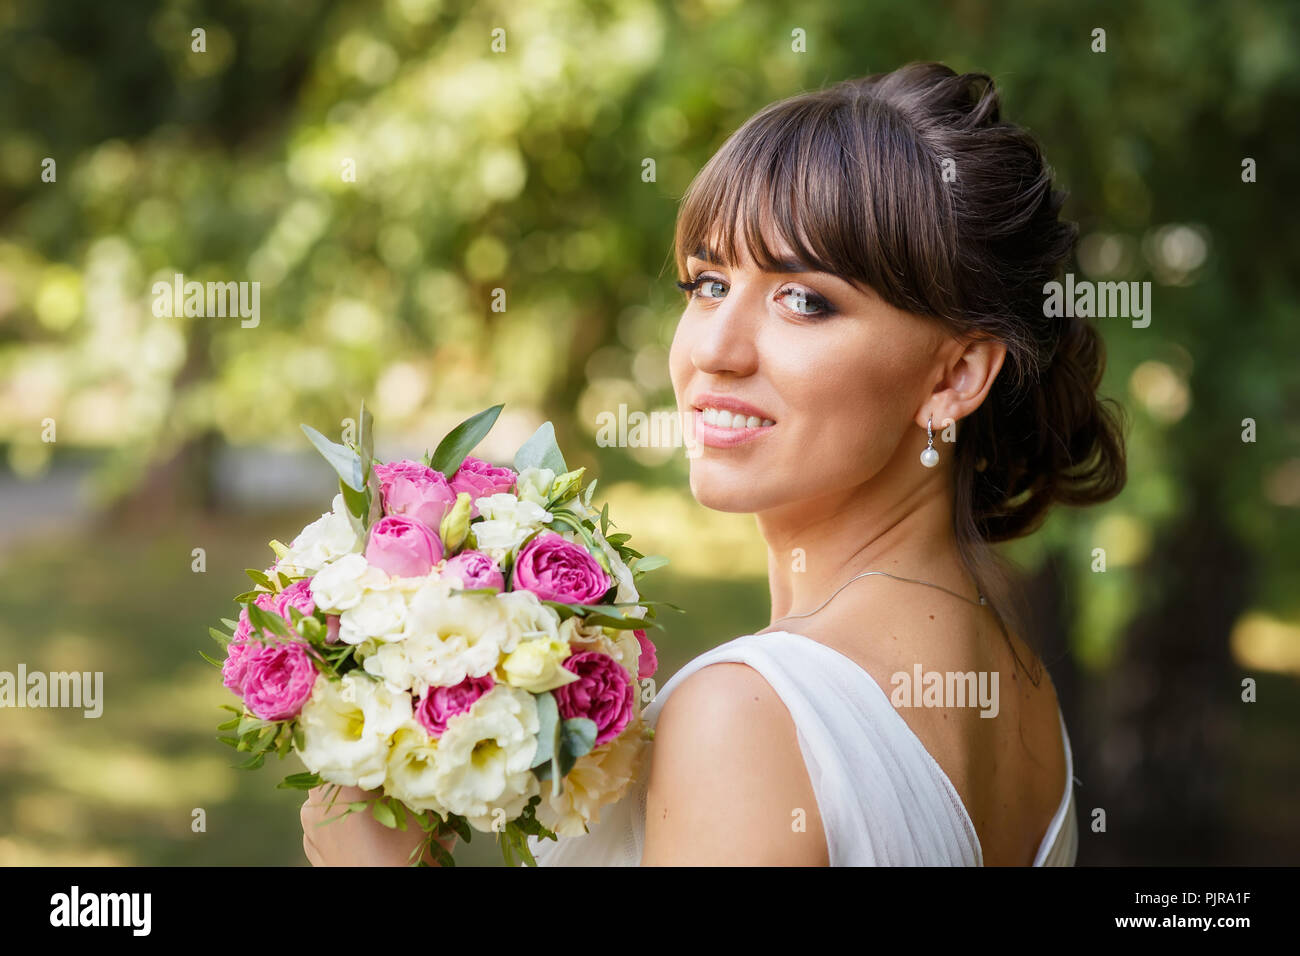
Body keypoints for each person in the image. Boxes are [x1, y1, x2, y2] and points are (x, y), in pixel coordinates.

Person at [301, 61, 1126, 867]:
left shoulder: (745, 714)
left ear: (955, 377)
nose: (717, 351)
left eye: (804, 299)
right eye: (707, 282)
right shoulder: (1025, 700)